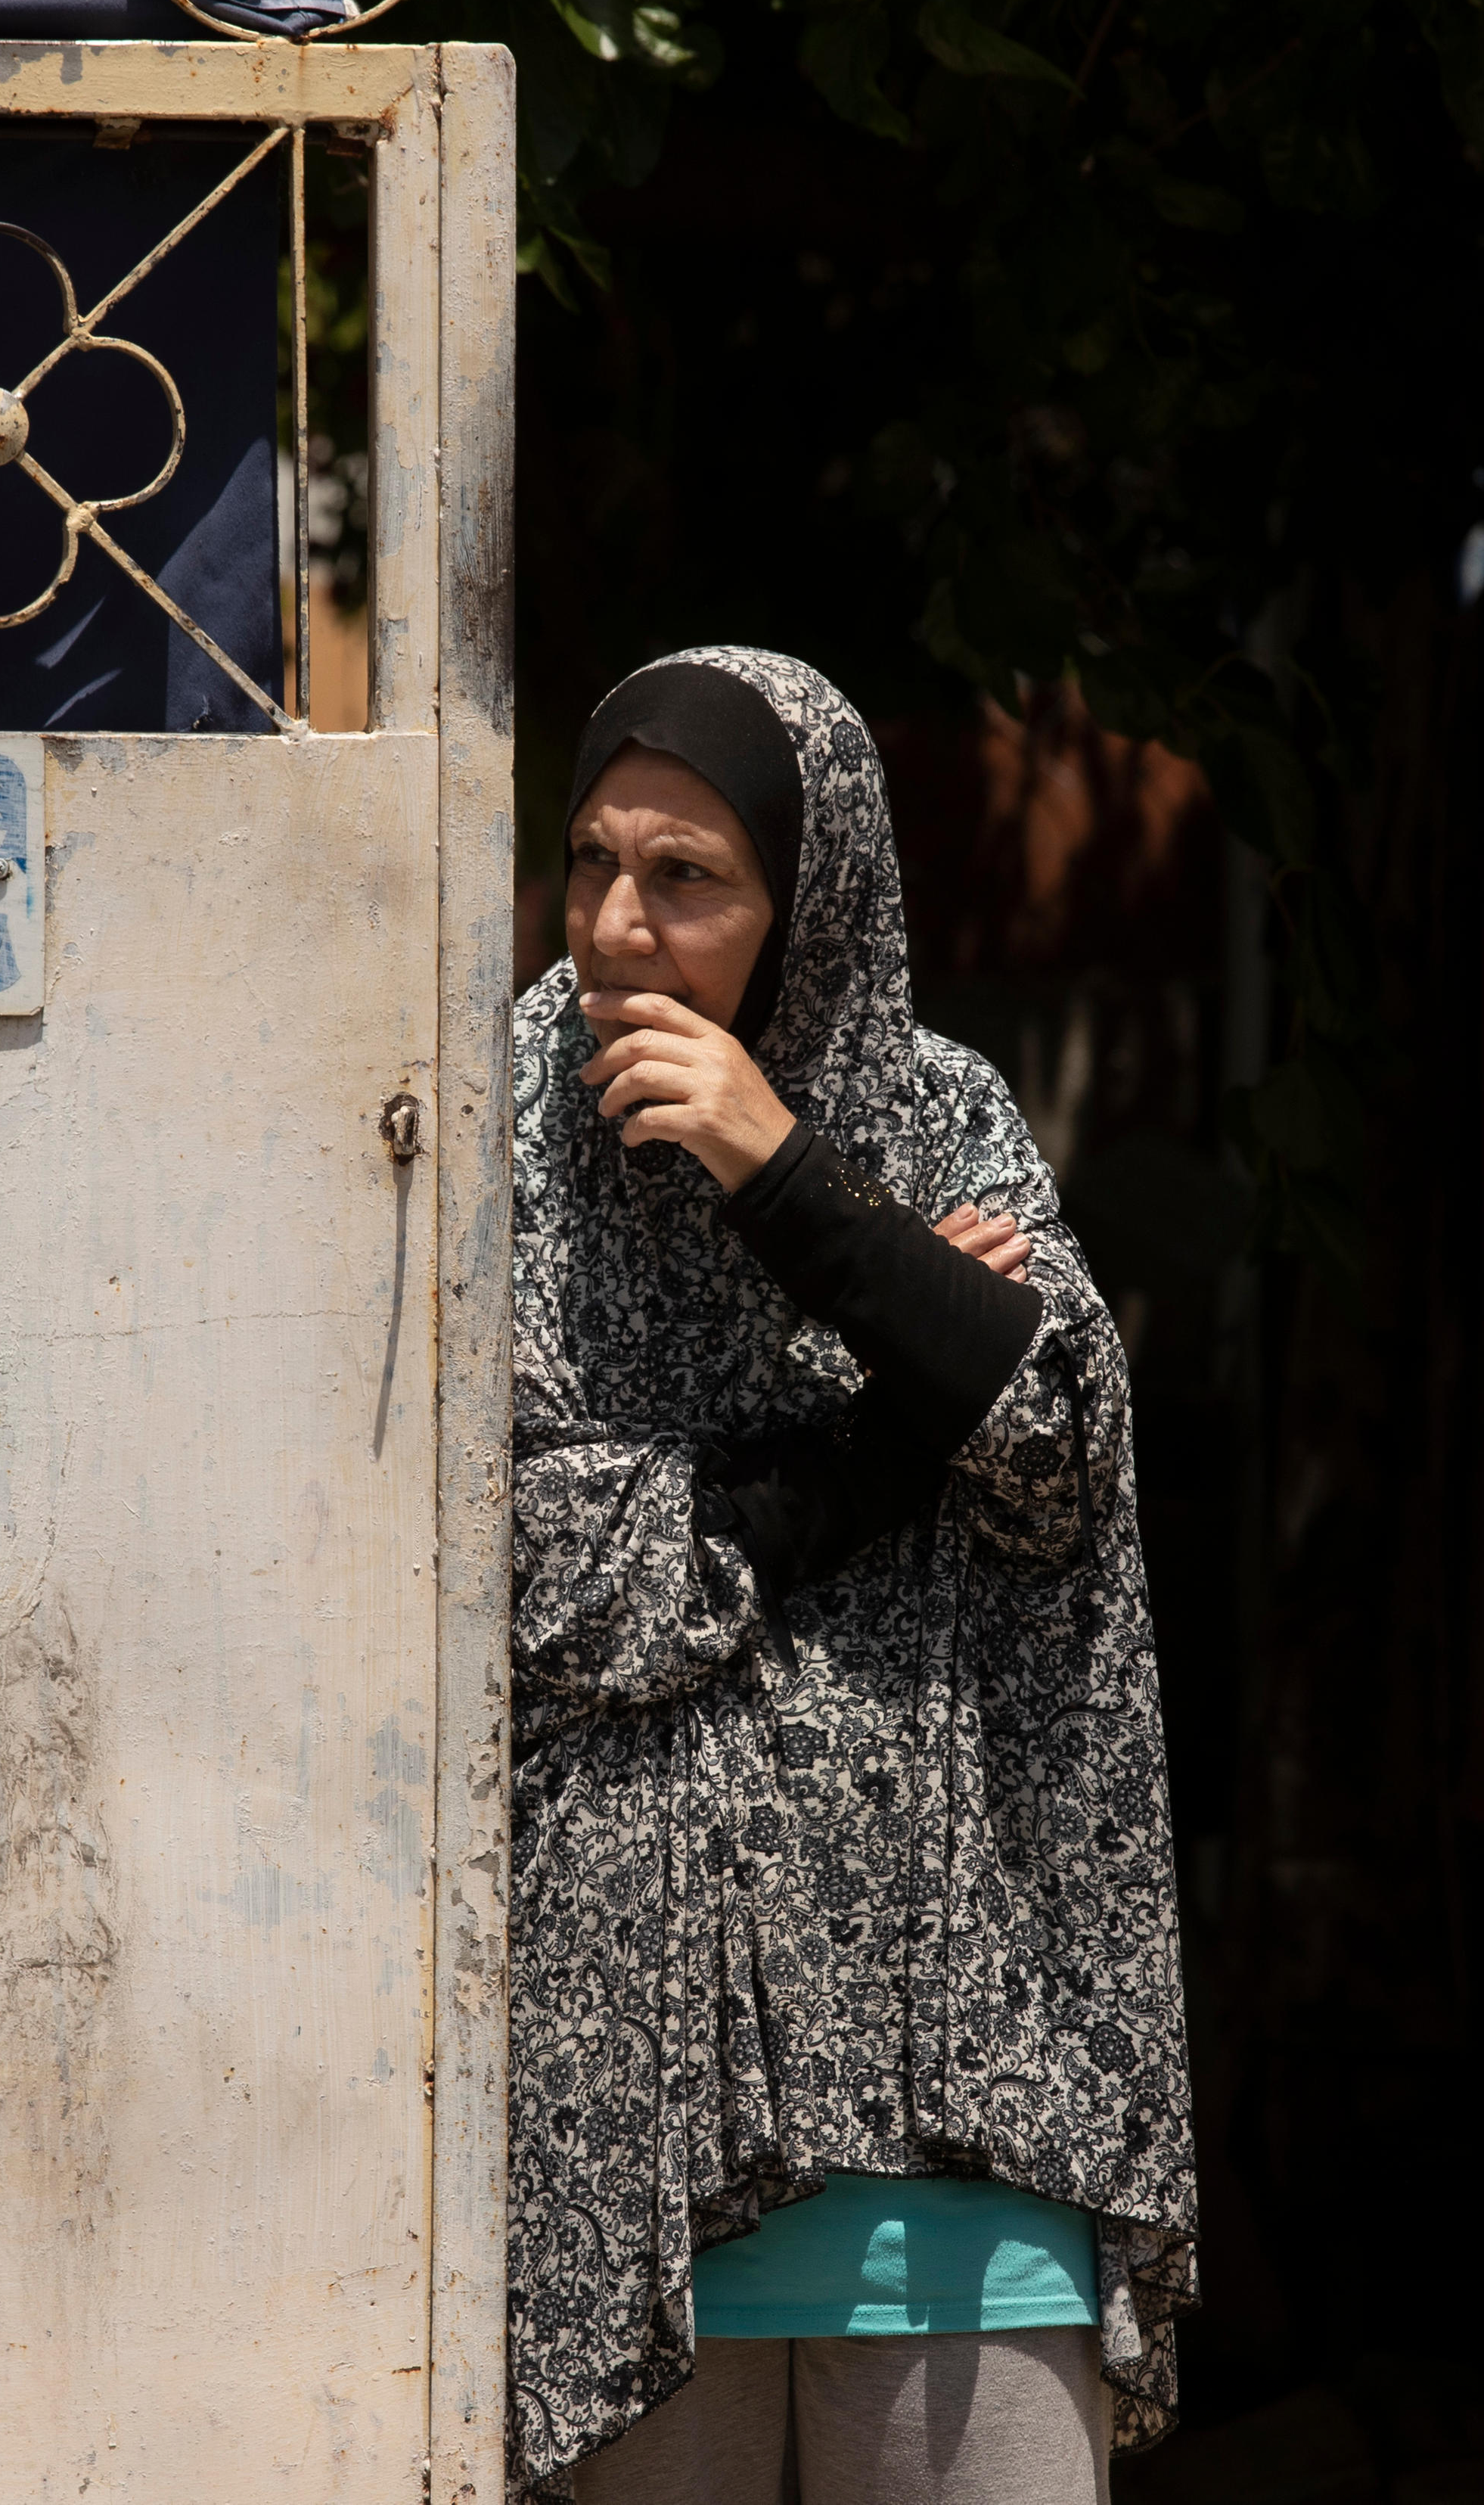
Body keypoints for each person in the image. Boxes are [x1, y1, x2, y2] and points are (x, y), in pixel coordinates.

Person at [508, 648, 1199, 2505]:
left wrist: (789, 1179)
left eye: (688, 880)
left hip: (962, 2130)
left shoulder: (937, 1112)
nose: (618, 931)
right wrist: (910, 1402)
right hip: (630, 2153)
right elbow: (559, 1581)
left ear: (810, 907)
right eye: (592, 863)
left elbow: (1056, 1452)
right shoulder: (510, 1139)